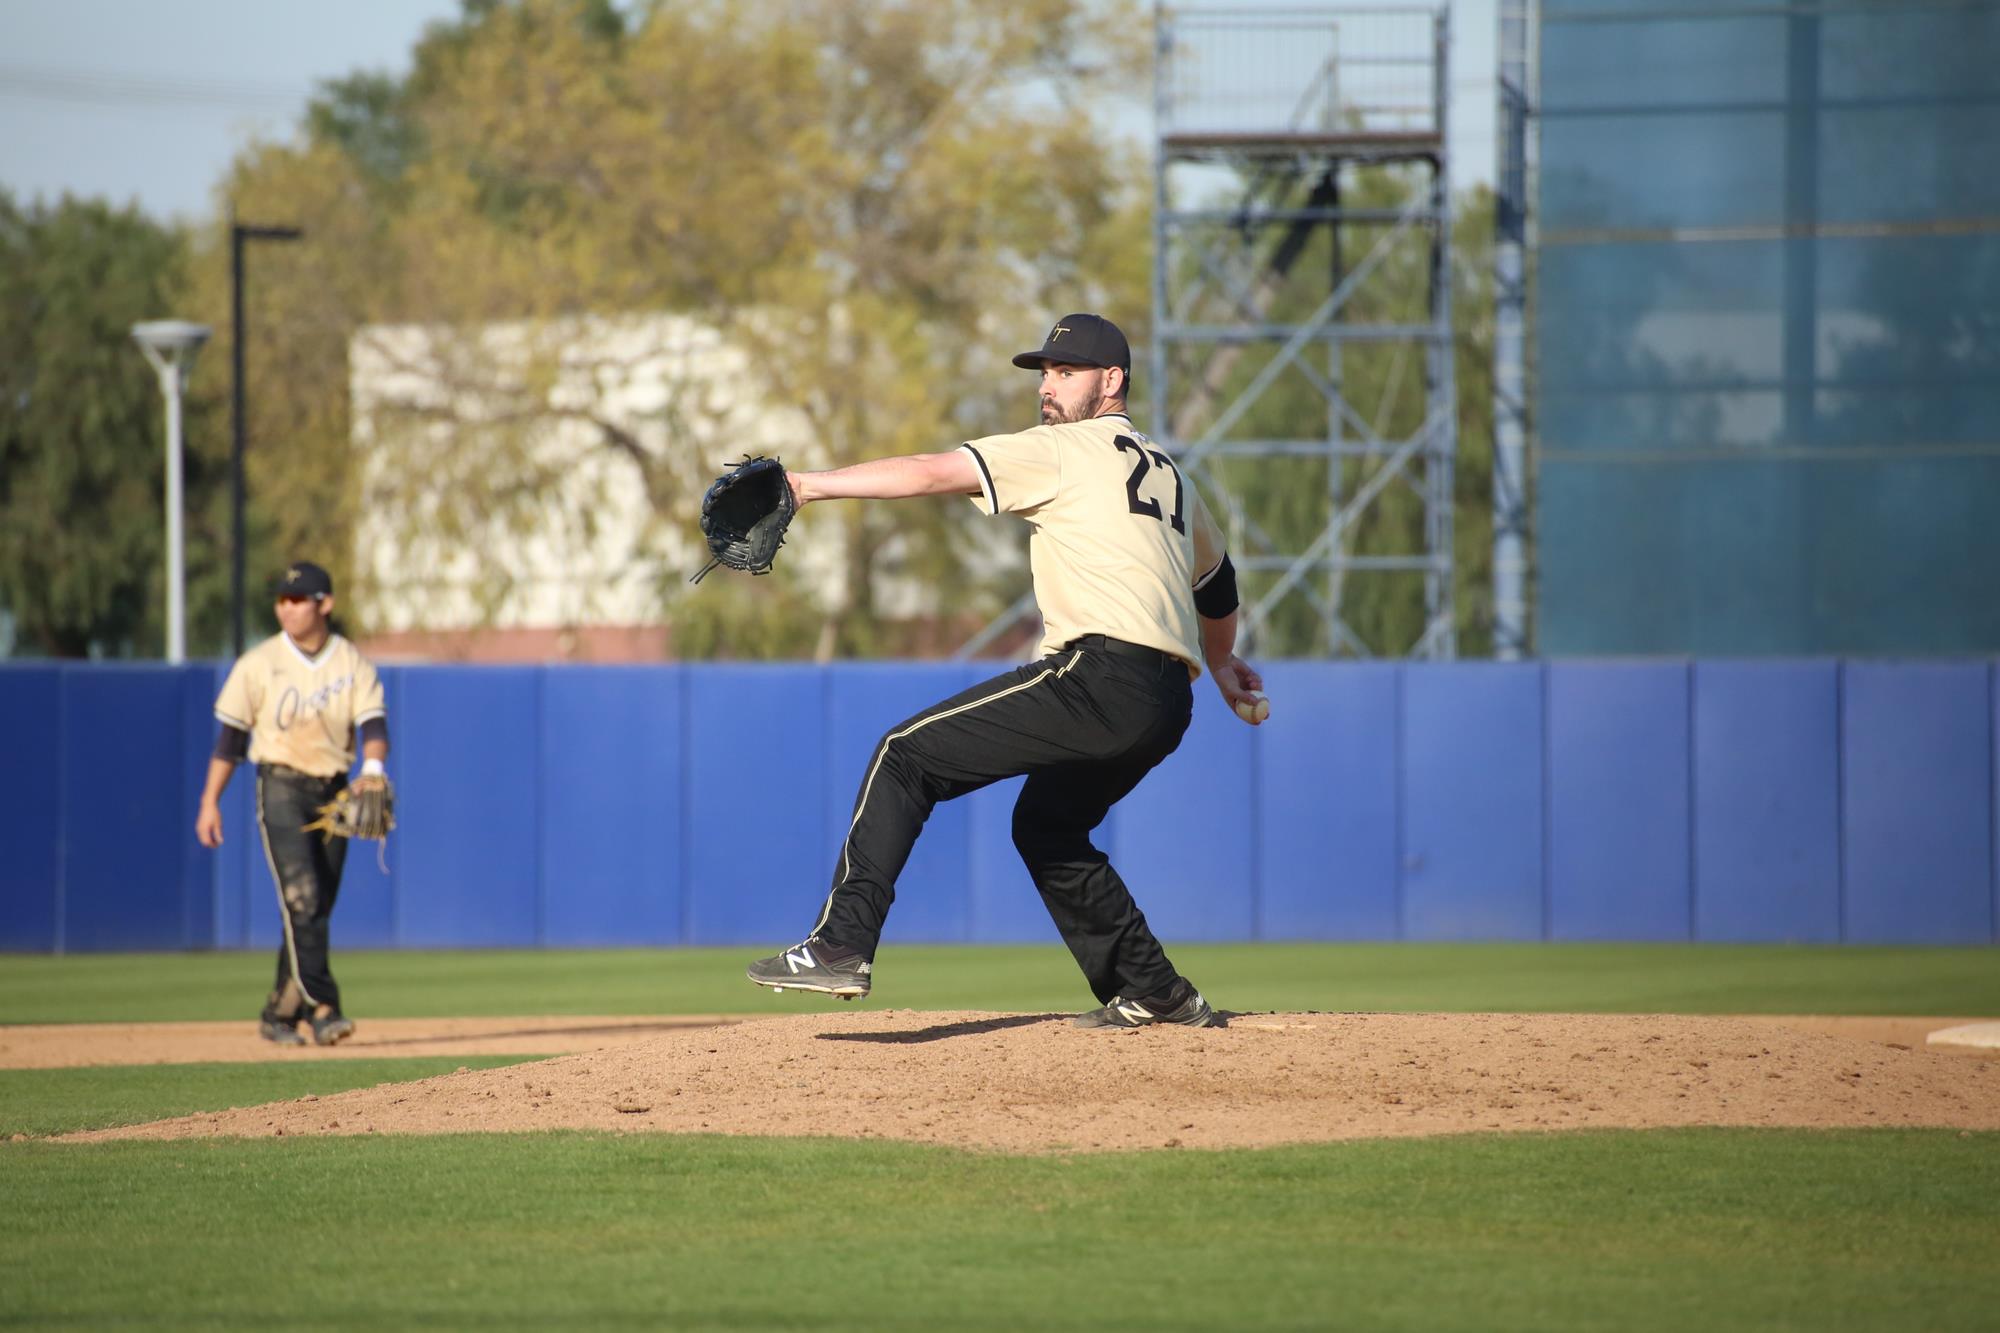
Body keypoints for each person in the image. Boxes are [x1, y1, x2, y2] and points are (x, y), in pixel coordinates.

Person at [747, 313, 1267, 1028]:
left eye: (1067, 372)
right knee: (1048, 825)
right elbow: (1216, 581)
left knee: (905, 756)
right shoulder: (1169, 473)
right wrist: (1221, 659)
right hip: (1165, 703)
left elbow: (932, 472)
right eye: (1045, 373)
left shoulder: (1065, 451)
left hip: (1102, 675)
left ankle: (841, 944)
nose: (1048, 388)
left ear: (1112, 380)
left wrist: (807, 485)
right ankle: (1154, 990)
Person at [195, 562, 389, 1046]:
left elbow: (374, 729)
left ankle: (280, 1011)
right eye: (282, 598)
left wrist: (372, 772)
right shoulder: (258, 663)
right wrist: (210, 801)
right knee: (301, 898)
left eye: (298, 598)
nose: (287, 607)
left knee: (314, 906)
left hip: (337, 789)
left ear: (325, 604)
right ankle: (325, 1008)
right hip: (279, 786)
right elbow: (230, 742)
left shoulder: (350, 662)